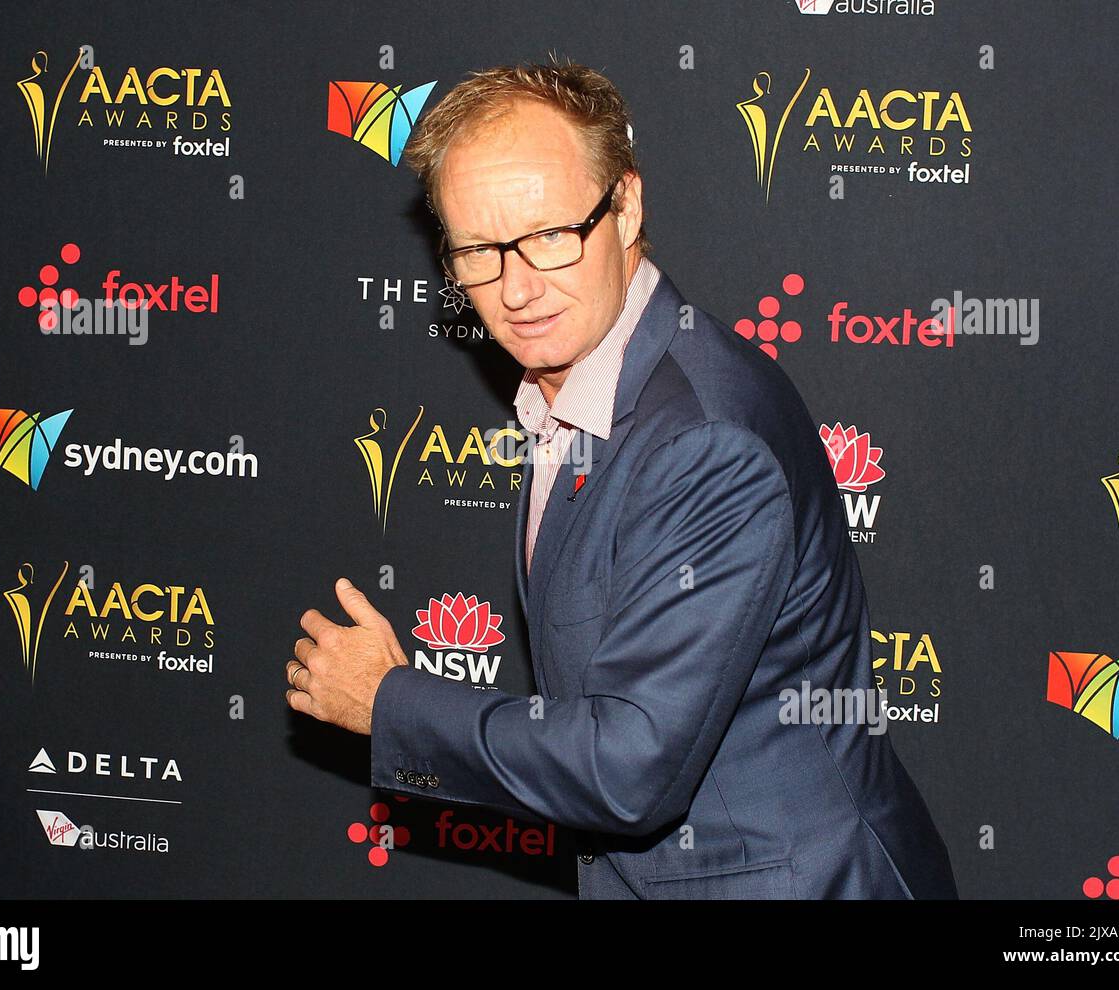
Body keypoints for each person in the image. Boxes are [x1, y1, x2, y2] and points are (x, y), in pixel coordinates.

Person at [284, 57, 958, 900]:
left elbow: (630, 767)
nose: (518, 288)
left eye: (550, 236)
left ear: (627, 207)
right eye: (481, 251)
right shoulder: (588, 386)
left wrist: (392, 704)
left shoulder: (704, 441)